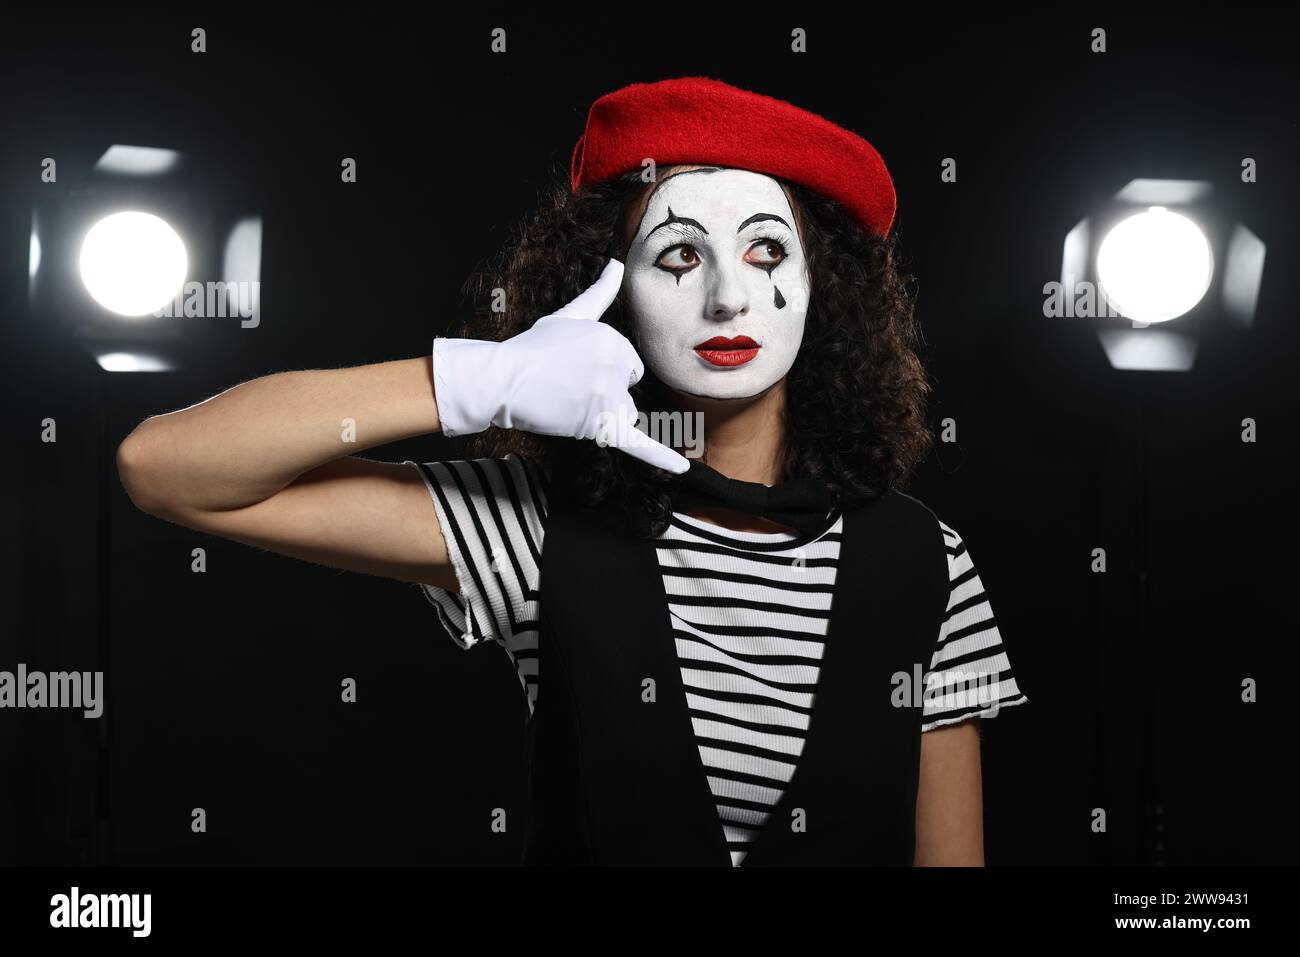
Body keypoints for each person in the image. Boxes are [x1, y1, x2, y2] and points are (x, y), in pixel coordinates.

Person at [117, 76, 1027, 866]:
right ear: (610, 284)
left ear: (823, 286)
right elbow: (165, 467)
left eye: (765, 250)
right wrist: (479, 378)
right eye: (678, 254)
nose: (726, 295)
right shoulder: (534, 527)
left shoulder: (926, 563)